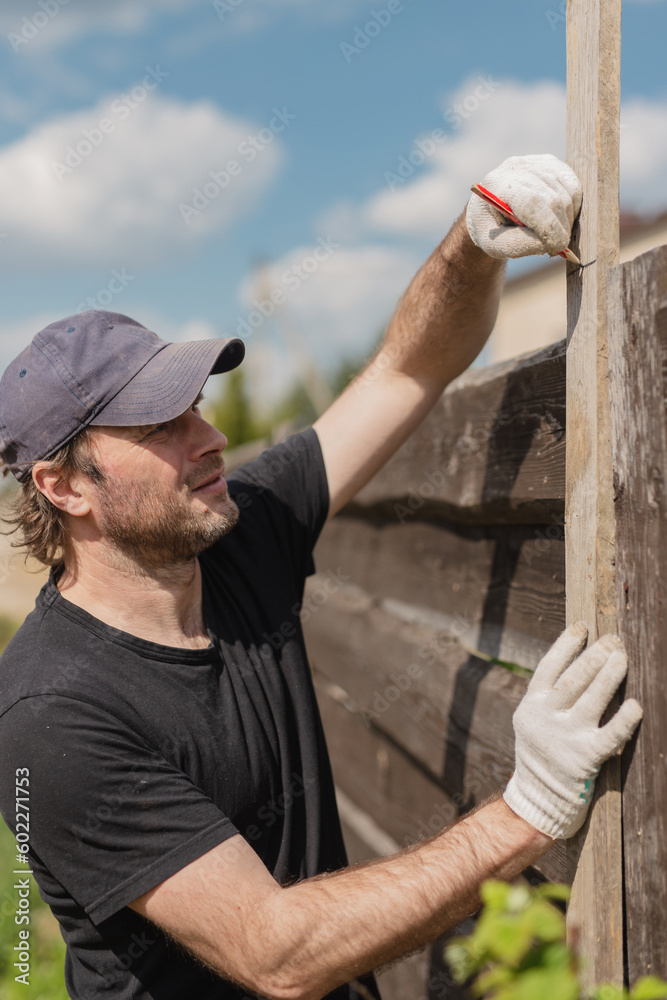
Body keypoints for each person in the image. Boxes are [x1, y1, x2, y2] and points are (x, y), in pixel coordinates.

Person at [0, 154, 642, 1000]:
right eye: (159, 427)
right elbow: (276, 953)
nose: (210, 438)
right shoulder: (51, 716)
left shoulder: (235, 536)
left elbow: (405, 371)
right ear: (63, 487)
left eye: (196, 407)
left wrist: (472, 241)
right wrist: (530, 807)